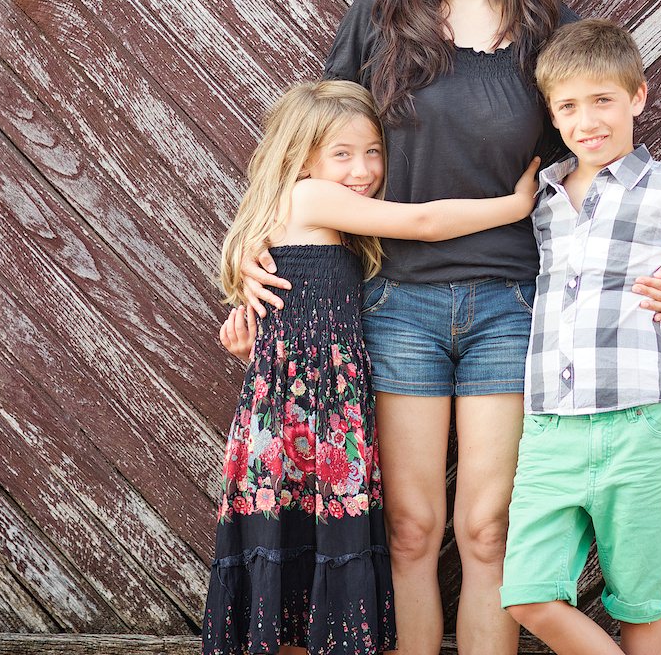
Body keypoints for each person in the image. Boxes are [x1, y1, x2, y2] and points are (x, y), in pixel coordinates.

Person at [232, 0, 661, 655]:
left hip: (512, 305)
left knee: (487, 533)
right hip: (394, 300)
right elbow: (310, 147)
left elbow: (600, 171)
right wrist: (251, 261)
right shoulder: (378, 17)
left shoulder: (552, 27)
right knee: (411, 529)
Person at [204, 79, 540, 655]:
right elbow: (425, 224)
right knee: (295, 544)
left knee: (304, 547)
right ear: (299, 158)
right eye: (343, 154)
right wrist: (515, 206)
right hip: (304, 415)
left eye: (373, 152)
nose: (363, 169)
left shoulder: (337, 222)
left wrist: (251, 345)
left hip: (324, 407)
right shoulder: (311, 198)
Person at [501, 20, 661, 655]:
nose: (586, 121)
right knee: (526, 593)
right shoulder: (542, 199)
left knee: (639, 599)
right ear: (552, 115)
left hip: (642, 423)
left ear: (638, 96)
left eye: (602, 100)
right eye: (568, 107)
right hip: (551, 427)